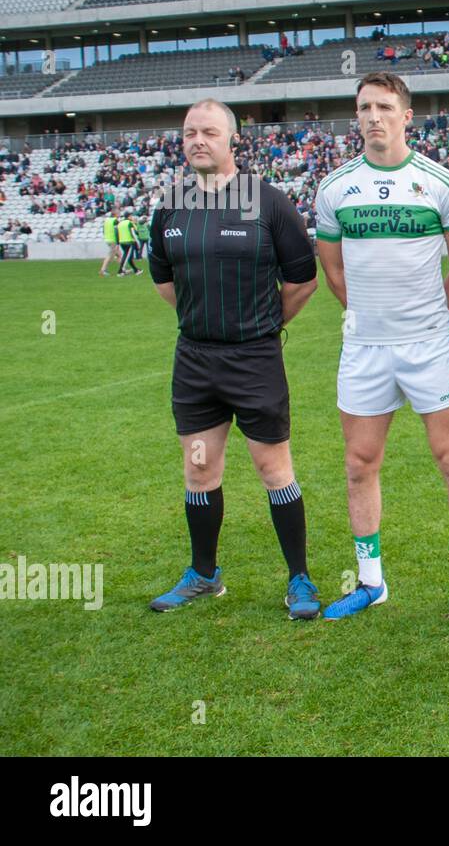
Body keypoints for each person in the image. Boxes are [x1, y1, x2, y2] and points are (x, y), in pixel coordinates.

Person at [313, 72, 449, 627]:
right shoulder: (335, 187)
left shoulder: (441, 184)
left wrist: (427, 319)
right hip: (364, 347)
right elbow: (333, 270)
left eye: (384, 107)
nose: (373, 117)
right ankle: (370, 582)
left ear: (407, 115)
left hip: (430, 345)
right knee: (359, 463)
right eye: (364, 108)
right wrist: (368, 316)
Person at [147, 98, 321, 618]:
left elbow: (302, 280)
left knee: (274, 469)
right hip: (196, 360)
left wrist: (262, 325)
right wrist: (206, 320)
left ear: (232, 140)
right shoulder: (171, 204)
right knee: (199, 471)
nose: (197, 140)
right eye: (188, 133)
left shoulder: (267, 202)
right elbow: (164, 283)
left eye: (208, 132)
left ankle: (300, 580)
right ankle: (204, 574)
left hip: (255, 358)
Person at [115, 210, 141, 276]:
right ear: (128, 217)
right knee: (127, 256)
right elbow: (136, 232)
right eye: (131, 216)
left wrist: (117, 243)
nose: (132, 217)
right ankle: (120, 271)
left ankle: (136, 270)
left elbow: (117, 233)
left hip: (122, 242)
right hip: (129, 241)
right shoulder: (130, 223)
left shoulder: (120, 223)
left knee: (128, 256)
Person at [99, 210, 120, 276]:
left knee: (118, 255)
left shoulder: (106, 220)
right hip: (113, 240)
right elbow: (116, 231)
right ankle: (103, 270)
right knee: (110, 255)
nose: (119, 214)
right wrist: (118, 242)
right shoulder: (115, 221)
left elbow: (103, 230)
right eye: (118, 213)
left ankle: (123, 269)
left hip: (107, 239)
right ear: (115, 214)